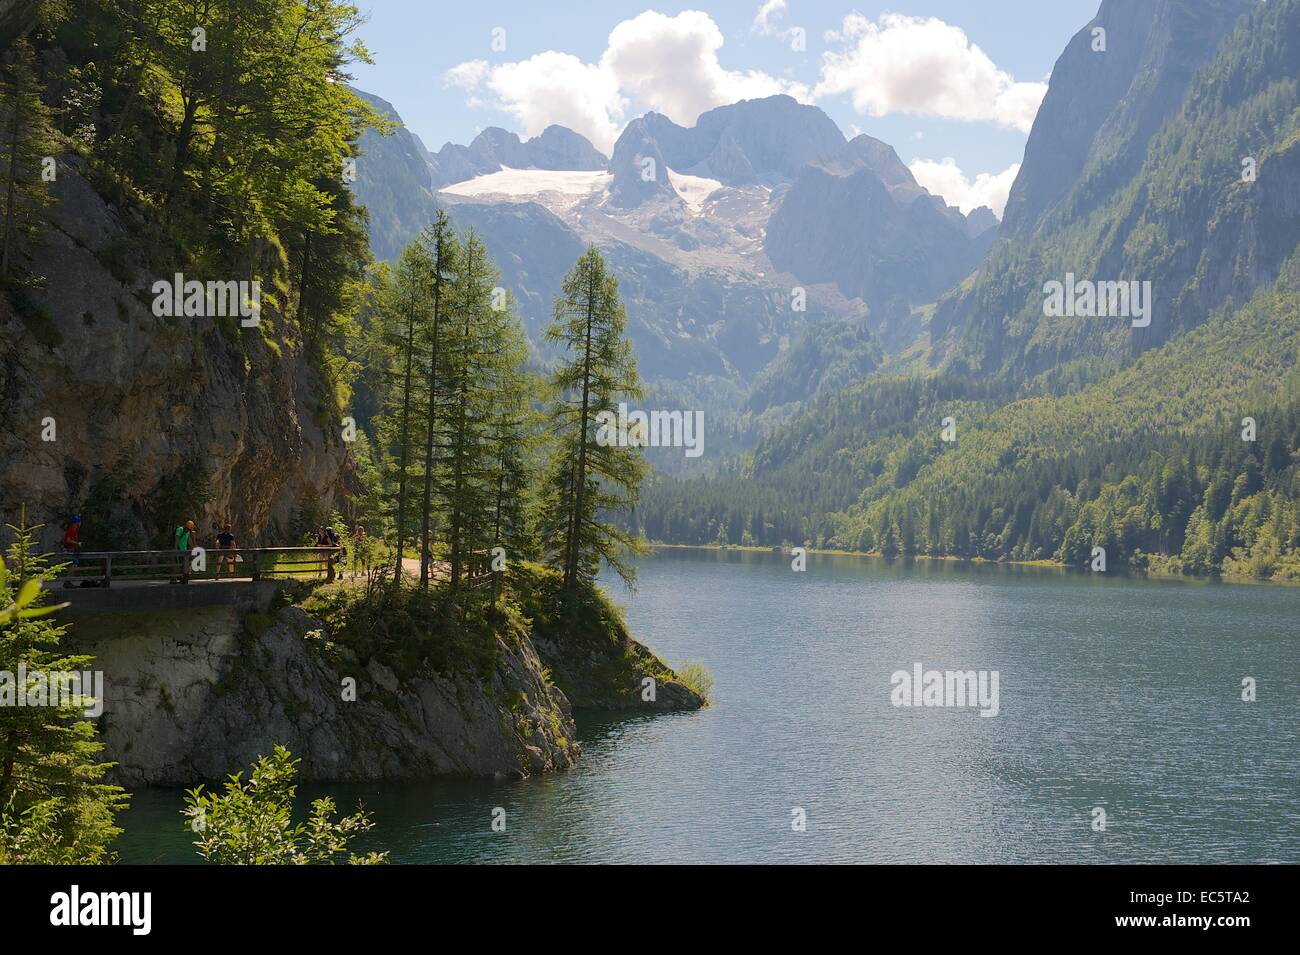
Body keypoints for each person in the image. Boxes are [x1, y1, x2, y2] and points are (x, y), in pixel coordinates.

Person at [61, 515, 81, 588]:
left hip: (70, 550)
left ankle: (68, 581)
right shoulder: (72, 530)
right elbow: (68, 540)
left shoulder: (73, 529)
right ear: (77, 522)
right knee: (74, 565)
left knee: (73, 565)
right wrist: (77, 543)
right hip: (69, 550)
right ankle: (67, 582)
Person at [173, 519, 196, 584]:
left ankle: (183, 579)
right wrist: (176, 549)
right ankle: (174, 579)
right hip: (179, 550)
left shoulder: (187, 531)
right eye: (189, 528)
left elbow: (189, 541)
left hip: (184, 551)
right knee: (178, 564)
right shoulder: (180, 529)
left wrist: (194, 548)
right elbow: (176, 540)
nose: (189, 530)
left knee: (184, 565)